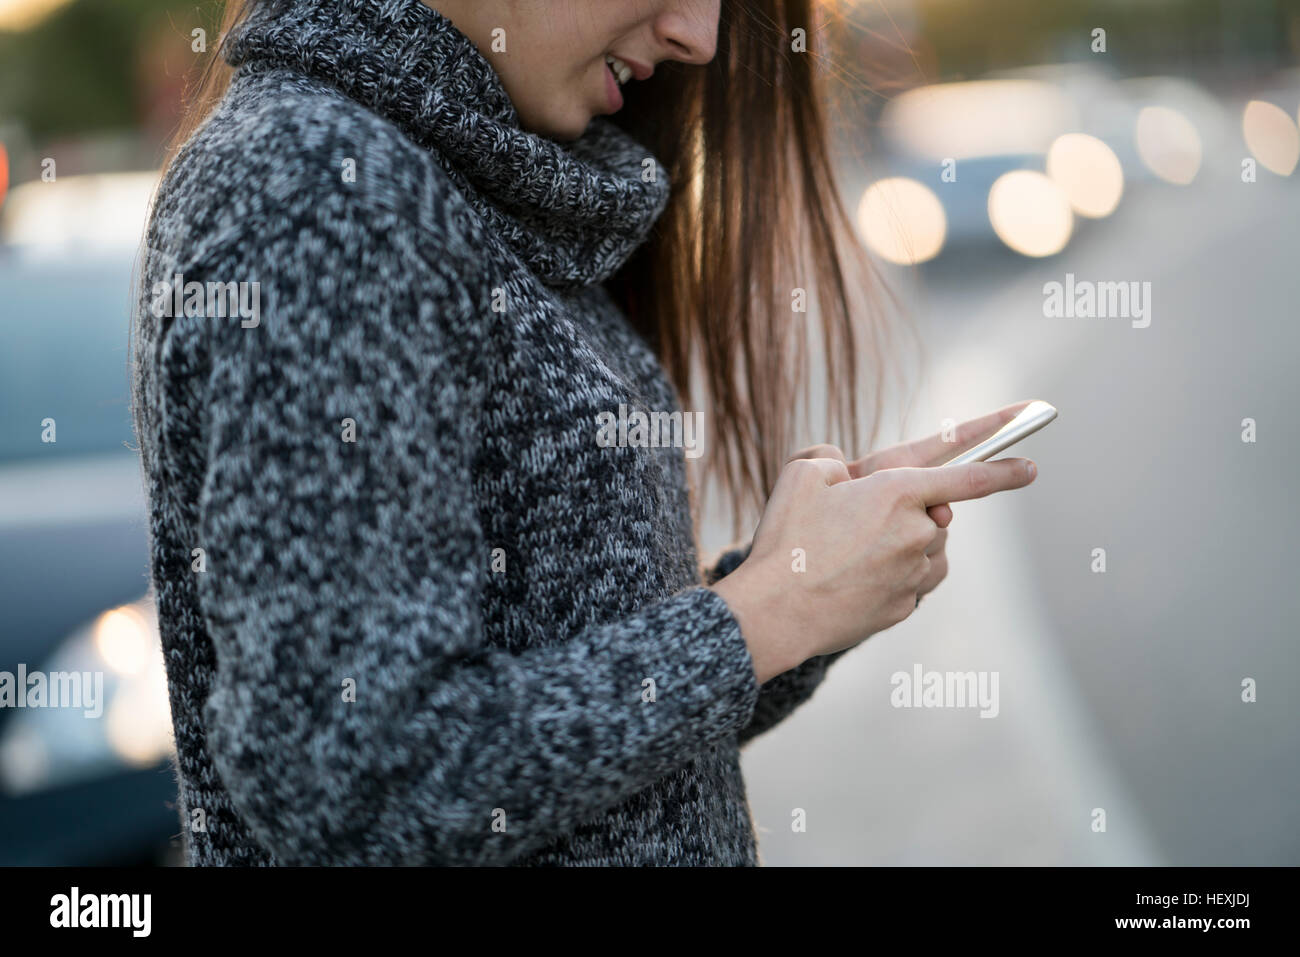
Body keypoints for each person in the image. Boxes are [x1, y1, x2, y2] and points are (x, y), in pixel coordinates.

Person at [130, 0, 1037, 866]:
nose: (701, 37)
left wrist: (804, 588)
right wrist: (764, 614)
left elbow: (567, 757)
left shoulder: (453, 176)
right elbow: (357, 787)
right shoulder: (322, 185)